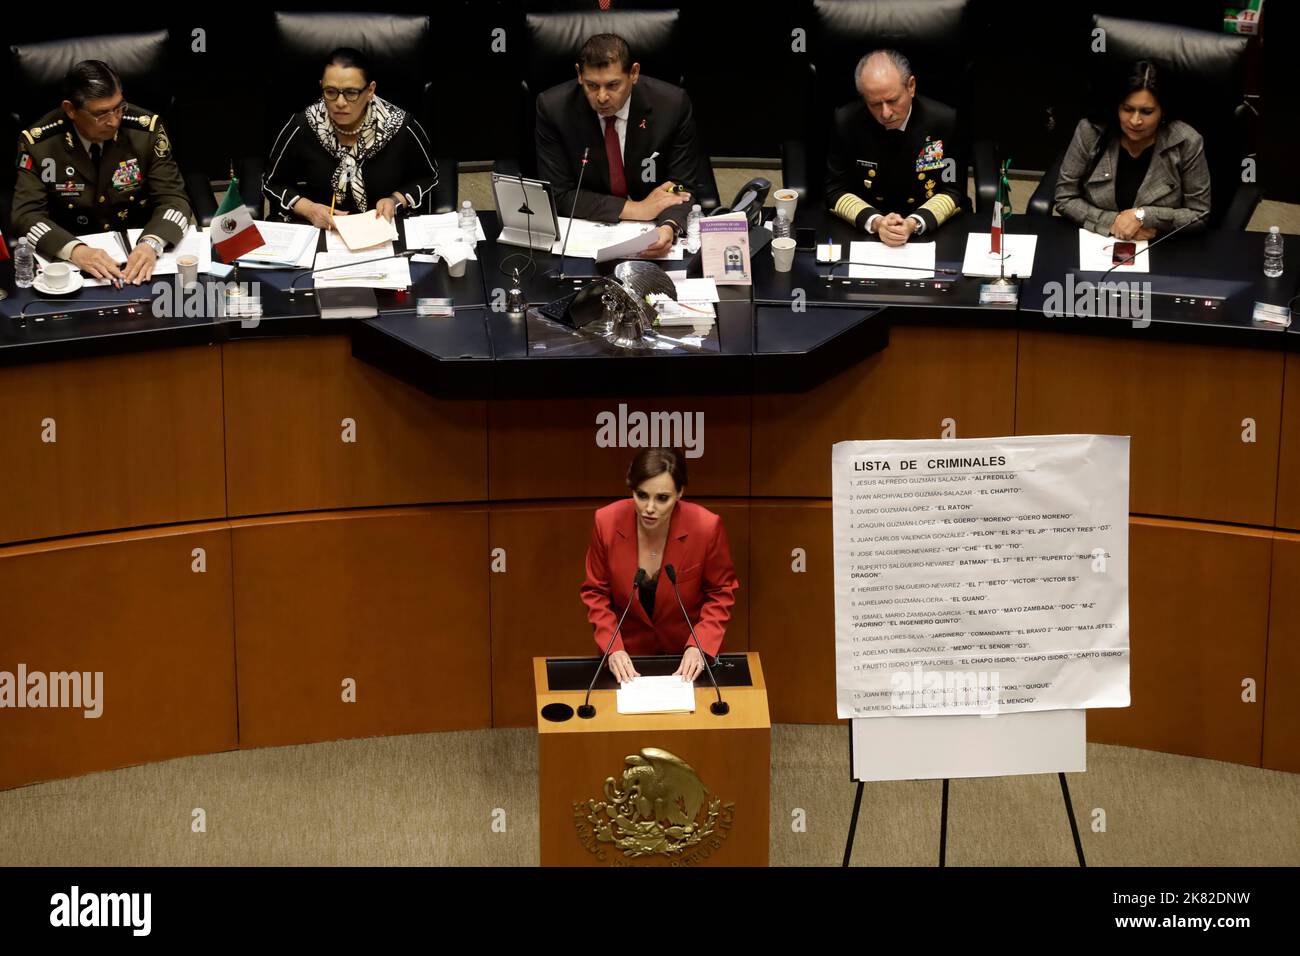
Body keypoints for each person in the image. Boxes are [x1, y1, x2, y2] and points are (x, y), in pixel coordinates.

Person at [12, 59, 192, 285]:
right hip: (74, 264)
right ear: (71, 110)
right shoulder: (40, 144)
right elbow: (26, 215)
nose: (115, 120)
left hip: (138, 255)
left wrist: (152, 243)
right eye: (102, 114)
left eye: (119, 107)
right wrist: (75, 251)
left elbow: (174, 199)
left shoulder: (146, 131)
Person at [535, 33, 710, 258]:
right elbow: (558, 194)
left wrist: (668, 226)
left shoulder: (672, 105)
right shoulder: (553, 108)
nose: (601, 97)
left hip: (654, 226)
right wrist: (638, 210)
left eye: (613, 84)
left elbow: (680, 186)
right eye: (591, 85)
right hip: (586, 230)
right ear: (579, 75)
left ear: (634, 73)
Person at [581, 448, 739, 684]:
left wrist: (700, 644)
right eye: (642, 495)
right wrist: (613, 648)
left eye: (662, 498)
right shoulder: (606, 522)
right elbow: (596, 592)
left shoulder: (705, 527)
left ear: (680, 493)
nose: (649, 508)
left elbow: (721, 592)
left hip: (689, 659)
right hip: (626, 661)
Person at [262, 47, 439, 228]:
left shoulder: (401, 126)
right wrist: (309, 209)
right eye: (330, 92)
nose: (340, 102)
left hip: (385, 229)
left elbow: (428, 177)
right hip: (323, 230)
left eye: (351, 93)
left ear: (370, 90)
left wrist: (395, 200)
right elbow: (272, 182)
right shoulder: (304, 125)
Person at [1054, 60, 1210, 239]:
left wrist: (1144, 216)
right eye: (1128, 109)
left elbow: (1199, 214)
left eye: (1147, 112)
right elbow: (1065, 197)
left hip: (1158, 244)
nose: (1135, 121)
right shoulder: (1090, 131)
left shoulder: (1187, 141)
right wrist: (1112, 222)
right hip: (1095, 238)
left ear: (1162, 111)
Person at [826, 49, 966, 247]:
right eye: (874, 104)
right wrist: (876, 222)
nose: (885, 113)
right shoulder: (846, 121)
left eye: (892, 101)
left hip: (927, 228)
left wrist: (913, 223)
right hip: (867, 228)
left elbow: (953, 190)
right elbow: (835, 190)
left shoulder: (943, 121)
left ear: (911, 86)